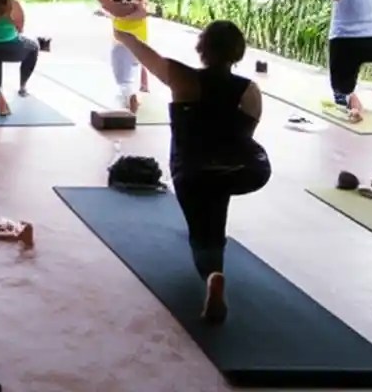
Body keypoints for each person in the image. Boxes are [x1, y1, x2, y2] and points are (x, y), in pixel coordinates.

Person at [114, 20, 270, 324]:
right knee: (217, 200)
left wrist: (124, 36)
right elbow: (244, 134)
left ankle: (212, 275)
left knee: (203, 235)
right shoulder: (250, 90)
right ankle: (214, 256)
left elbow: (147, 56)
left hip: (193, 172)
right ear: (237, 53)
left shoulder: (182, 78)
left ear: (202, 49)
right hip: (248, 168)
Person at [89, 0, 151, 112]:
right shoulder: (140, 8)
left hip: (121, 47)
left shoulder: (116, 9)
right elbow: (142, 12)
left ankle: (131, 97)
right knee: (132, 75)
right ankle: (134, 96)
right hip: (139, 48)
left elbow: (103, 0)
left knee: (123, 80)